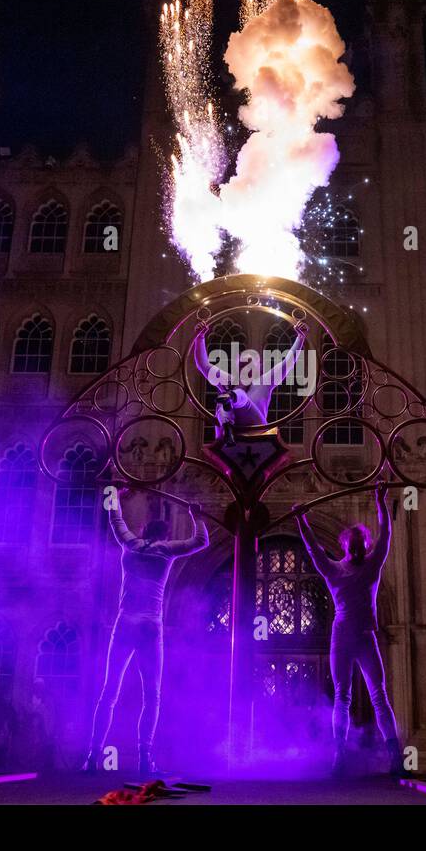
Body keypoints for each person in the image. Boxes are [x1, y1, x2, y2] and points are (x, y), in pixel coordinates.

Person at [82, 493, 210, 775]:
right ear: (164, 534)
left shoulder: (131, 544)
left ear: (144, 530)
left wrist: (113, 493)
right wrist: (196, 514)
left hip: (125, 622)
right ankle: (144, 757)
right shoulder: (166, 551)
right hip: (150, 627)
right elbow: (202, 541)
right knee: (151, 695)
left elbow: (115, 518)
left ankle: (93, 756)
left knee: (109, 692)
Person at [294, 483, 402, 777]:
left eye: (359, 545)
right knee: (343, 695)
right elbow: (313, 550)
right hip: (342, 637)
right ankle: (339, 755)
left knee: (378, 694)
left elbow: (386, 535)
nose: (355, 548)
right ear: (344, 546)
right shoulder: (335, 569)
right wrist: (301, 521)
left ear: (363, 546)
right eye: (351, 545)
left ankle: (395, 756)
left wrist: (380, 501)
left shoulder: (372, 565)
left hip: (365, 636)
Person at [192, 319, 306, 445]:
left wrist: (300, 337)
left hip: (255, 429)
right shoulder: (229, 380)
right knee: (223, 403)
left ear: (259, 367)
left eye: (250, 366)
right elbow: (203, 365)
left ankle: (231, 400)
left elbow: (288, 362)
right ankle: (227, 427)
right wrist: (200, 337)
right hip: (229, 433)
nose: (246, 369)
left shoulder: (264, 382)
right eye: (242, 365)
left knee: (235, 394)